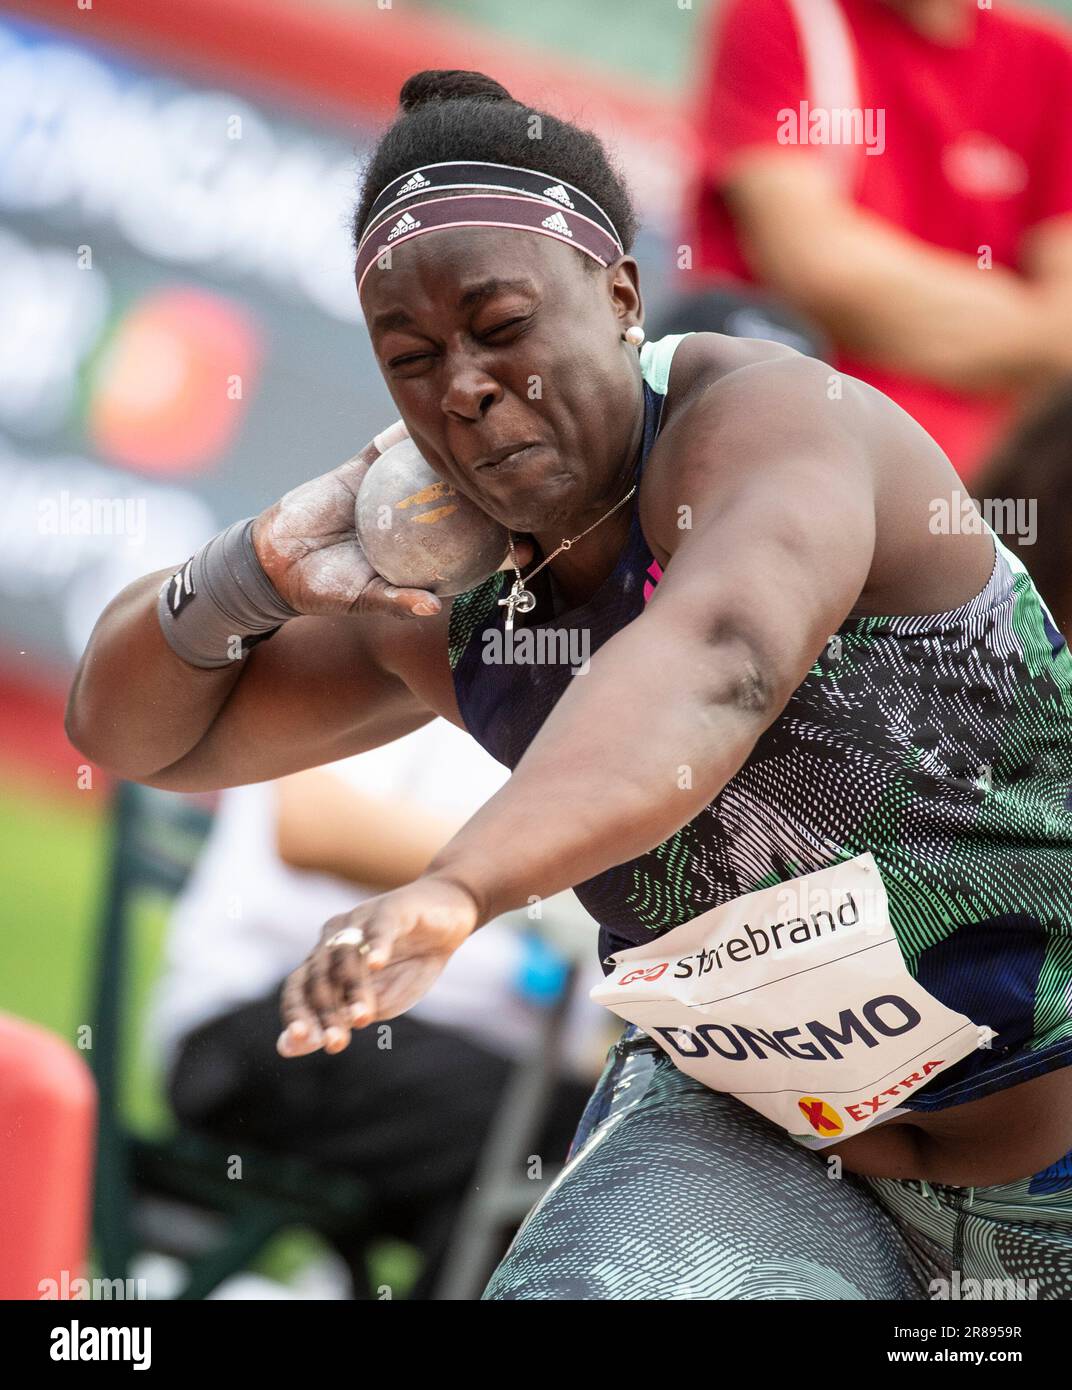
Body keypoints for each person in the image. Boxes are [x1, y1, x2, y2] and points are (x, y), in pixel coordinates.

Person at [66, 69, 1072, 1299]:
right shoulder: (443, 601)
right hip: (763, 1145)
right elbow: (144, 734)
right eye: (411, 357)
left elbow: (721, 658)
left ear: (618, 295)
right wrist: (252, 566)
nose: (463, 388)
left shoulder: (768, 420)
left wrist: (457, 886)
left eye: (499, 330)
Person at [146, 717, 607, 1299]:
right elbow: (313, 821)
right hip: (278, 1029)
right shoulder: (435, 645)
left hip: (483, 1081)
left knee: (622, 1138)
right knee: (583, 1146)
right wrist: (565, 871)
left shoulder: (624, 715)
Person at [681, 0, 1072, 481]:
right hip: (778, 458)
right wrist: (1024, 329)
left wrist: (877, 299)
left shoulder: (1051, 63)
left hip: (983, 496)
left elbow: (1064, 333)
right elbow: (816, 268)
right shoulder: (783, 16)